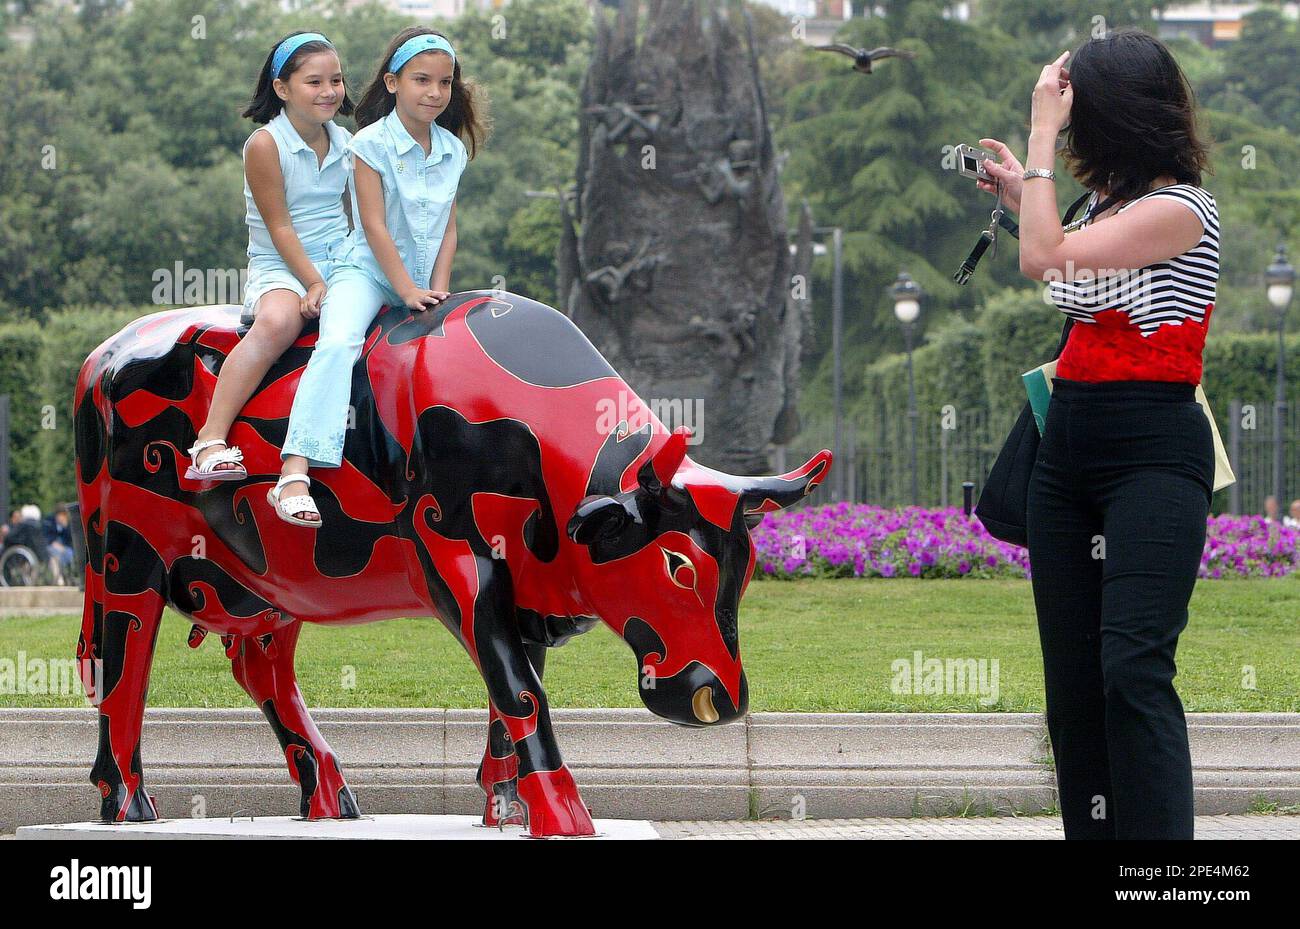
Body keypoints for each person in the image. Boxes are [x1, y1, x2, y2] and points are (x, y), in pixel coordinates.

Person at [979, 29, 1219, 839]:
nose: (1069, 122)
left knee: (1133, 670)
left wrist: (1040, 135)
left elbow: (1045, 262)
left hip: (1152, 450)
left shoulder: (1180, 209)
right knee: (1074, 687)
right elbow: (1067, 257)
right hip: (1069, 449)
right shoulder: (1107, 206)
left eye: (1079, 106)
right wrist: (1023, 193)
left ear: (1115, 113)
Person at [269, 27, 483, 527]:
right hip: (365, 273)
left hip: (421, 279)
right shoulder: (368, 143)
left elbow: (449, 226)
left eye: (444, 83)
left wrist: (440, 287)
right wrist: (405, 290)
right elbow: (373, 224)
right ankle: (294, 470)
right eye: (421, 80)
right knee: (339, 341)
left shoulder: (452, 150)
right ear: (392, 82)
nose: (434, 92)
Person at [185, 31, 356, 482]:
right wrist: (314, 282)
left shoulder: (345, 142)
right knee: (279, 323)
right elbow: (280, 227)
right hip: (282, 264)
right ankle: (209, 439)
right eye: (314, 82)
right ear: (282, 89)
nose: (329, 91)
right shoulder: (265, 145)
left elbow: (357, 215)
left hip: (340, 259)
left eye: (335, 80)